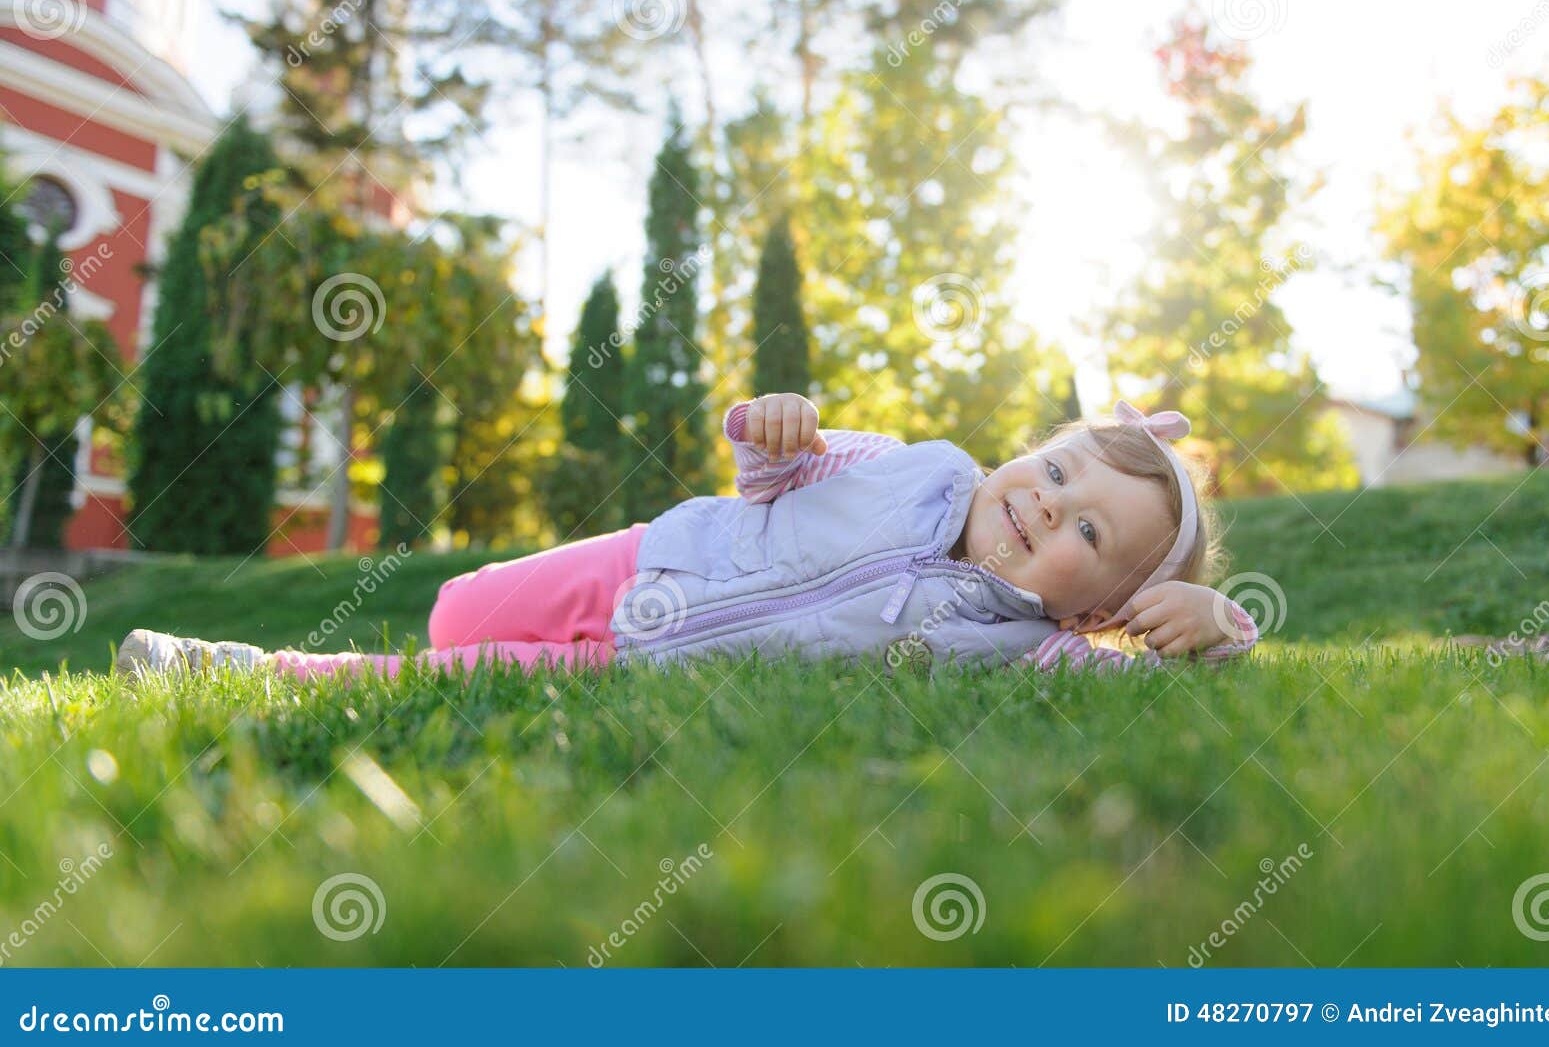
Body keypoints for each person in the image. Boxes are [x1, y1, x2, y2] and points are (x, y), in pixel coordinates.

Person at [115, 393, 1257, 682]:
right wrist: (770, 429)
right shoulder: (920, 466)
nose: (1050, 502)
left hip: (645, 660)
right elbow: (778, 470)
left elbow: (1152, 685)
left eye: (1091, 527)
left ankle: (256, 672)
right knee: (457, 605)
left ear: (1098, 611)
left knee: (453, 670)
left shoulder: (1032, 652)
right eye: (1057, 469)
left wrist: (1217, 625)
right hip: (653, 558)